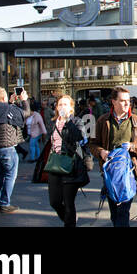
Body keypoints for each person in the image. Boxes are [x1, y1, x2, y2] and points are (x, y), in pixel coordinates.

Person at [88, 87, 137, 227]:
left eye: (128, 101)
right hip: (110, 173)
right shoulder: (102, 121)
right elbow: (92, 144)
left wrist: (132, 147)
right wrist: (101, 152)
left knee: (123, 212)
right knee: (115, 214)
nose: (126, 104)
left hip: (129, 173)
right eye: (122, 101)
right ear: (113, 102)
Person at [0, 87, 33, 213]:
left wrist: (10, 102)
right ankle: (5, 203)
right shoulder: (7, 108)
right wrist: (24, 100)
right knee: (10, 175)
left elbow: (4, 115)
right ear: (4, 97)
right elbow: (26, 113)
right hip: (7, 147)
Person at [46, 95, 90, 227]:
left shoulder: (76, 121)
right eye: (60, 105)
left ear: (71, 108)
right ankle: (69, 218)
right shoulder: (53, 122)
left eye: (65, 105)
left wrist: (68, 121)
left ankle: (69, 222)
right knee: (54, 202)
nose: (62, 107)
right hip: (55, 164)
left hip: (71, 165)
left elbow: (80, 138)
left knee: (69, 202)